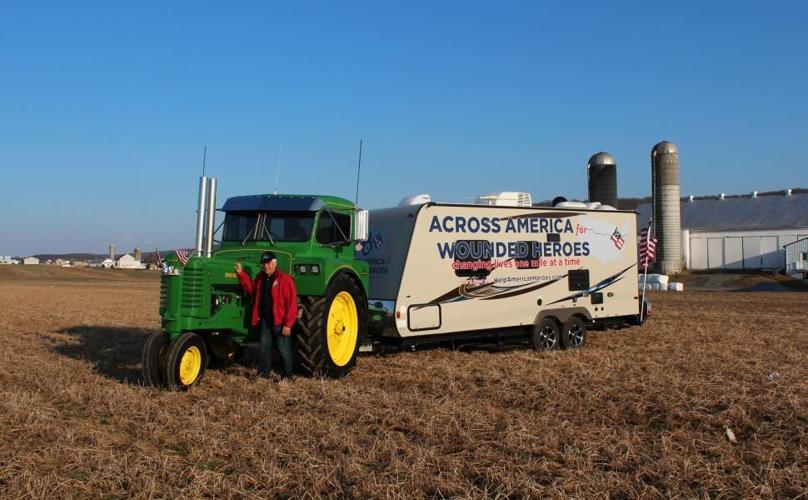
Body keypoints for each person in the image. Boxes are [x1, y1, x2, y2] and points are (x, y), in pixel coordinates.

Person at [235, 251, 298, 379]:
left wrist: (288, 324)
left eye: (268, 263)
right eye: (264, 264)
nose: (266, 266)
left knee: (283, 349)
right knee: (264, 348)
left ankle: (288, 376)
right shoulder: (260, 278)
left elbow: (292, 304)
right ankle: (264, 374)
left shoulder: (285, 280)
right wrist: (241, 274)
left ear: (275, 263)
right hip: (265, 319)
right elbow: (252, 289)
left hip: (280, 321)